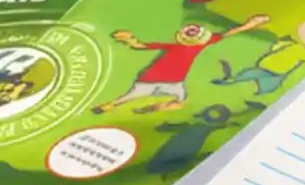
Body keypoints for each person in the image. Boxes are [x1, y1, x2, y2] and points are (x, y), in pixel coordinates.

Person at [92, 14, 269, 115]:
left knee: (136, 97)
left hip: (163, 80)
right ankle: (139, 108)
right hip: (163, 80)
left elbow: (139, 45)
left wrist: (251, 23)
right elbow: (140, 45)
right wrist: (251, 24)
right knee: (175, 101)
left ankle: (140, 108)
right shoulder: (191, 45)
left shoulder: (180, 45)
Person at [213, 17, 305, 95]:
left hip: (278, 72)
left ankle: (255, 93)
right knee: (250, 74)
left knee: (268, 85)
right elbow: (277, 47)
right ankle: (233, 80)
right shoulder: (294, 44)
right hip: (267, 65)